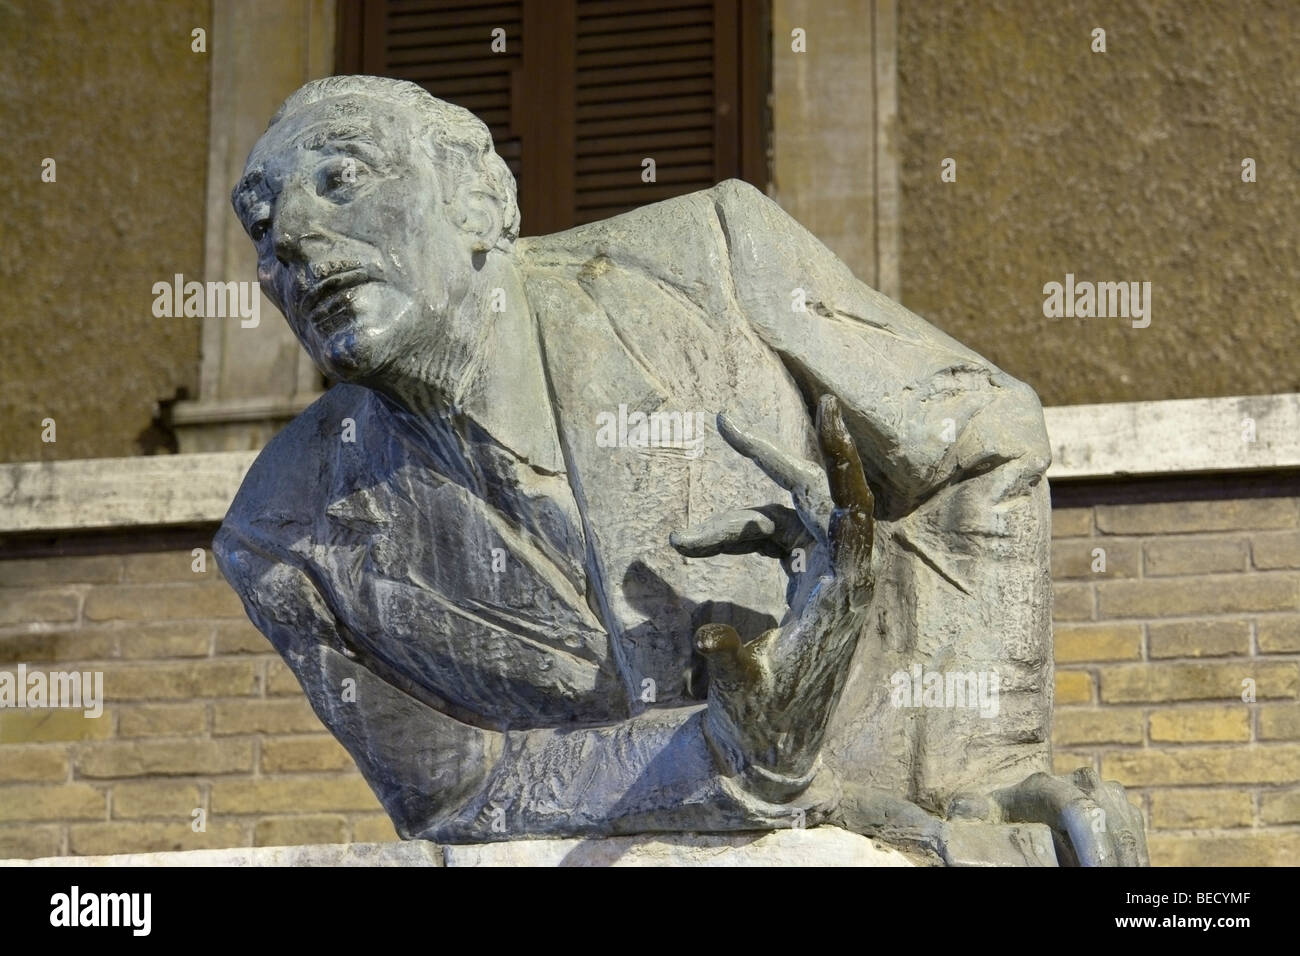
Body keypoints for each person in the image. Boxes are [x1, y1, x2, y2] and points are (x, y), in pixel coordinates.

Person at [216, 76, 1146, 864]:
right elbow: (453, 786)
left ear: (476, 200)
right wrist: (727, 753)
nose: (288, 239)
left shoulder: (714, 258)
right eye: (261, 225)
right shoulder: (279, 534)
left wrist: (969, 778)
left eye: (341, 180)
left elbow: (979, 441)